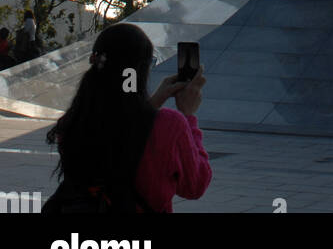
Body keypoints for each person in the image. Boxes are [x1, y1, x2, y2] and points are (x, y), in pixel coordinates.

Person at [44, 22, 212, 213]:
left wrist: (155, 100)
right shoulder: (171, 124)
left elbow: (121, 126)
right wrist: (188, 115)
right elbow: (195, 185)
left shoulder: (75, 121)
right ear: (140, 71)